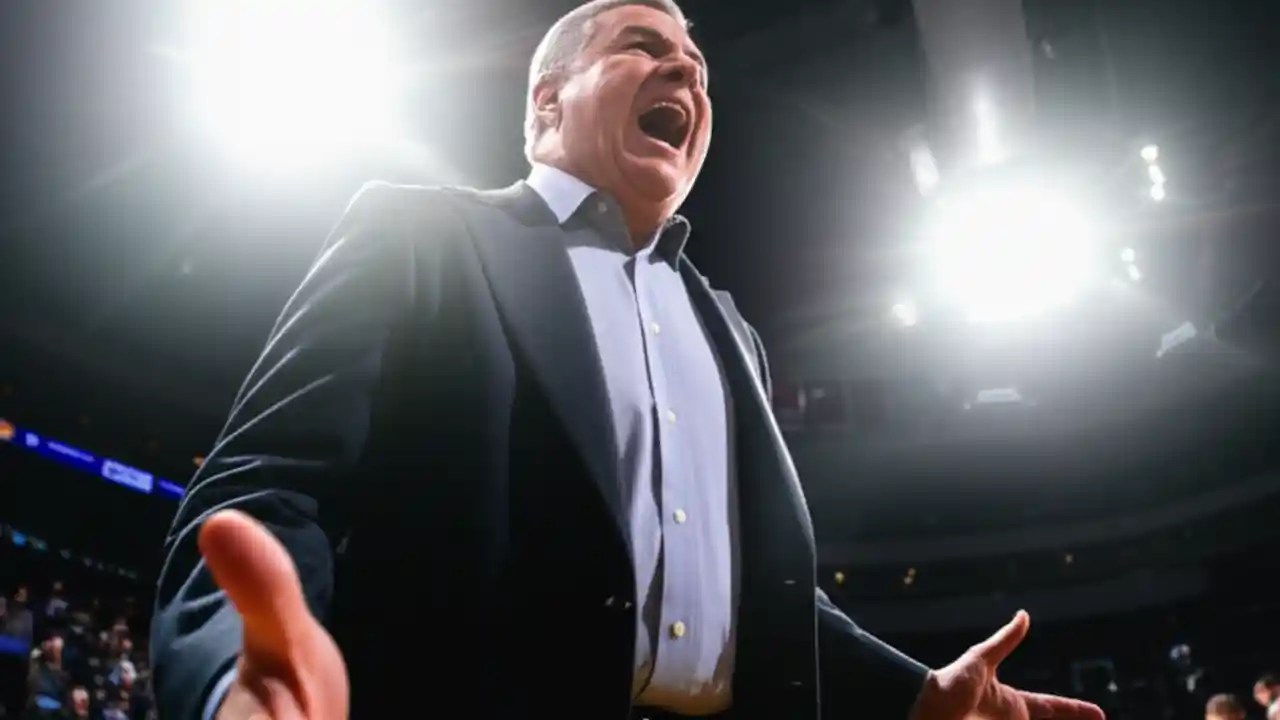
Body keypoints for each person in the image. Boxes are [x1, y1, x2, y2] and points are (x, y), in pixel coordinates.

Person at [150, 1, 1107, 719]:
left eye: (697, 68)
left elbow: (748, 601)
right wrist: (239, 669)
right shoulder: (419, 235)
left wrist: (917, 697)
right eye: (644, 47)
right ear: (546, 102)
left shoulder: (731, 328)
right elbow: (266, 490)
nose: (685, 76)